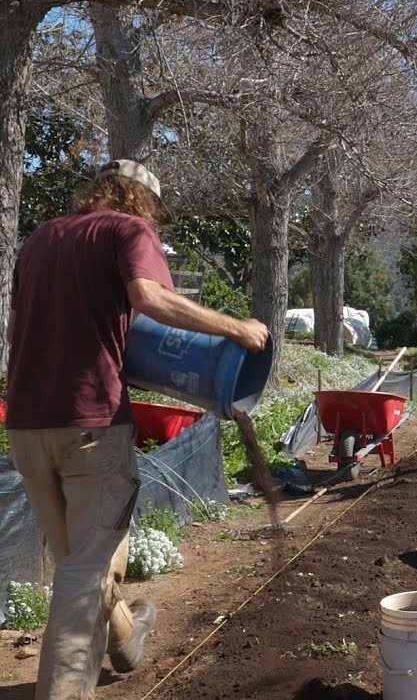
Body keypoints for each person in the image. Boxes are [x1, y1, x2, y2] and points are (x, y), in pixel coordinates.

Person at [6, 159, 269, 699]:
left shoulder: (42, 238)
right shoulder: (128, 229)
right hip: (92, 424)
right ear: (142, 200)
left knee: (76, 562)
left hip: (28, 426)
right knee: (87, 572)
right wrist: (235, 327)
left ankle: (125, 637)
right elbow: (150, 298)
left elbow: (14, 329)